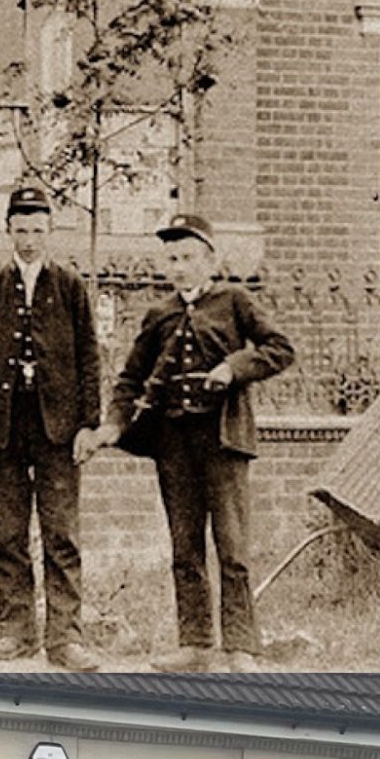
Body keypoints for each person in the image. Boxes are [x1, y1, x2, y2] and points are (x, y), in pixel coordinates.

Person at [99, 214, 293, 674]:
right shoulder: (159, 314)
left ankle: (241, 647)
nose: (180, 266)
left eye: (188, 257)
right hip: (174, 444)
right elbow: (130, 379)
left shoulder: (235, 302)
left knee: (232, 548)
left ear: (210, 260)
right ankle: (195, 643)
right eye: (172, 258)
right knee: (185, 547)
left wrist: (233, 367)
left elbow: (280, 348)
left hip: (222, 441)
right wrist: (113, 423)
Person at [0, 183, 104, 670]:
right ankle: (15, 632)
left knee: (61, 534)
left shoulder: (70, 287)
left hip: (58, 430)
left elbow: (90, 358)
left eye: (38, 230)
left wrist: (89, 425)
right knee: (8, 535)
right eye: (20, 230)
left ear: (51, 232)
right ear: (7, 231)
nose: (29, 239)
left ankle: (64, 639)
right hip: (3, 428)